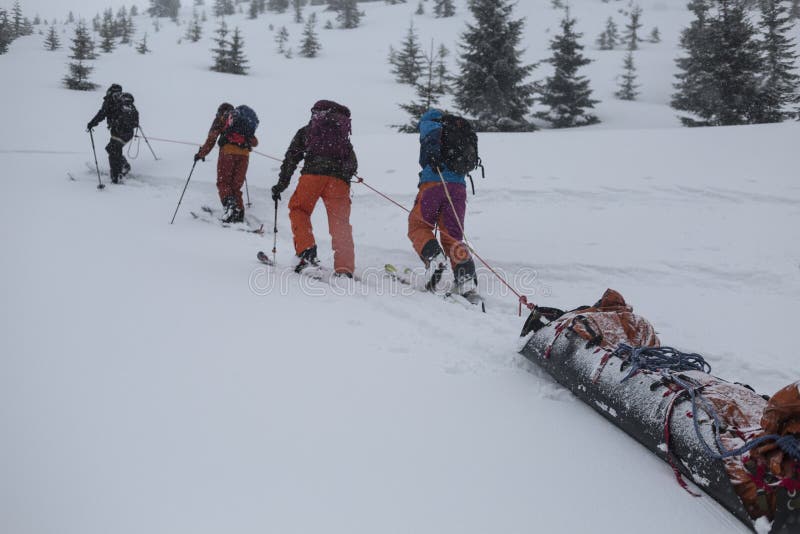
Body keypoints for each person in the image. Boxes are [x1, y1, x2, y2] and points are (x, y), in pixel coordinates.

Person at [271, 100, 358, 278]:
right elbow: (353, 163)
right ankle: (344, 268)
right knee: (340, 223)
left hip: (312, 177)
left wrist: (281, 184)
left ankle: (306, 253)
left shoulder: (309, 130)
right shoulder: (342, 136)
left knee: (299, 210)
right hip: (338, 182)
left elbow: (291, 158)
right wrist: (343, 178)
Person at [407, 108, 478, 297]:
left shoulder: (429, 126)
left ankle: (434, 257)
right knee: (452, 236)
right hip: (458, 187)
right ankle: (466, 279)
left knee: (418, 226)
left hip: (433, 183)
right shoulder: (457, 128)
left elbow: (426, 159)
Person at [194, 103, 259, 224]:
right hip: (244, 156)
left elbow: (211, 139)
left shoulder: (222, 119)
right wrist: (243, 142)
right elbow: (255, 142)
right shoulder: (242, 121)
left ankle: (230, 209)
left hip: (227, 154)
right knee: (236, 186)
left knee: (223, 182)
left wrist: (201, 154)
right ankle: (239, 212)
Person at [87, 84, 139, 184]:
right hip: (127, 132)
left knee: (113, 150)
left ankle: (116, 176)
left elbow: (102, 114)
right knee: (113, 149)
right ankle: (123, 166)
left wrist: (91, 124)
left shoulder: (110, 102)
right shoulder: (125, 101)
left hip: (119, 131)